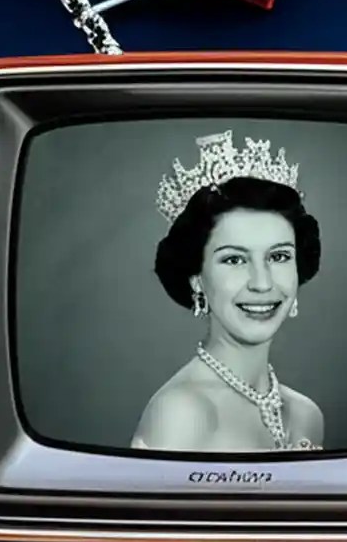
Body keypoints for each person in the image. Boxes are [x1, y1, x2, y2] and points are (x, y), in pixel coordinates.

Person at [132, 130, 324, 452]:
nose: (262, 283)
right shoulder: (182, 414)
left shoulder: (307, 416)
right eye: (234, 259)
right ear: (197, 280)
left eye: (278, 257)